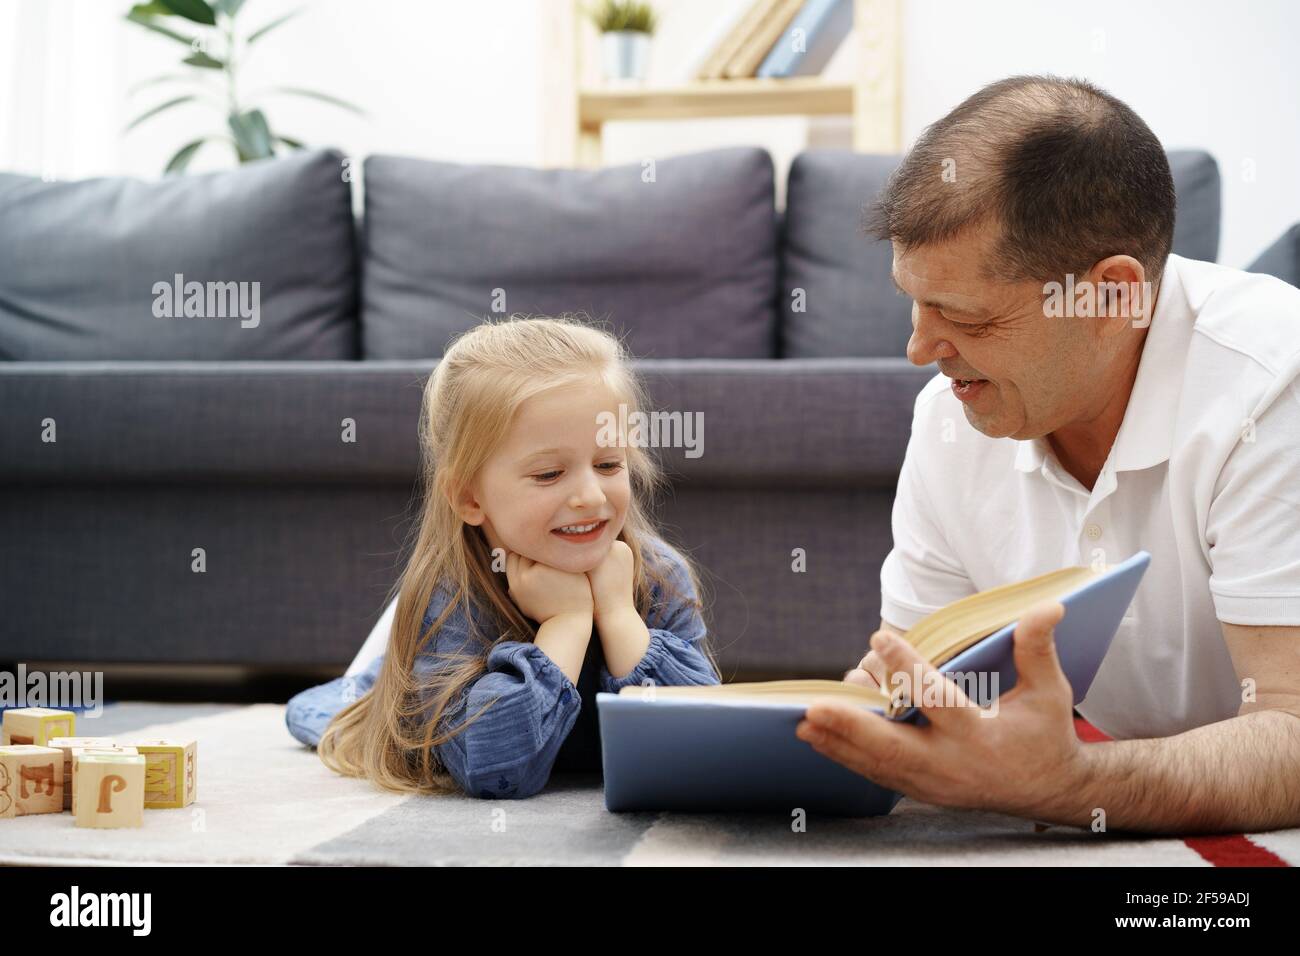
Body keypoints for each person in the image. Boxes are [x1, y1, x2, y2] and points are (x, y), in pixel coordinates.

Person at [802, 75, 1300, 833]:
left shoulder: (1272, 382)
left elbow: (1292, 729)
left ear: (1109, 297)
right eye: (915, 301)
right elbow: (926, 688)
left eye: (963, 315)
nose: (918, 349)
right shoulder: (952, 417)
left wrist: (1073, 786)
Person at [286, 316, 720, 799]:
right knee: (340, 717)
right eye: (550, 473)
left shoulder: (660, 575)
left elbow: (701, 744)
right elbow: (493, 768)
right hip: (414, 682)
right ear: (470, 497)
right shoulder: (450, 596)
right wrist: (567, 623)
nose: (591, 496)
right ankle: (378, 669)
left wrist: (618, 616)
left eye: (608, 464)